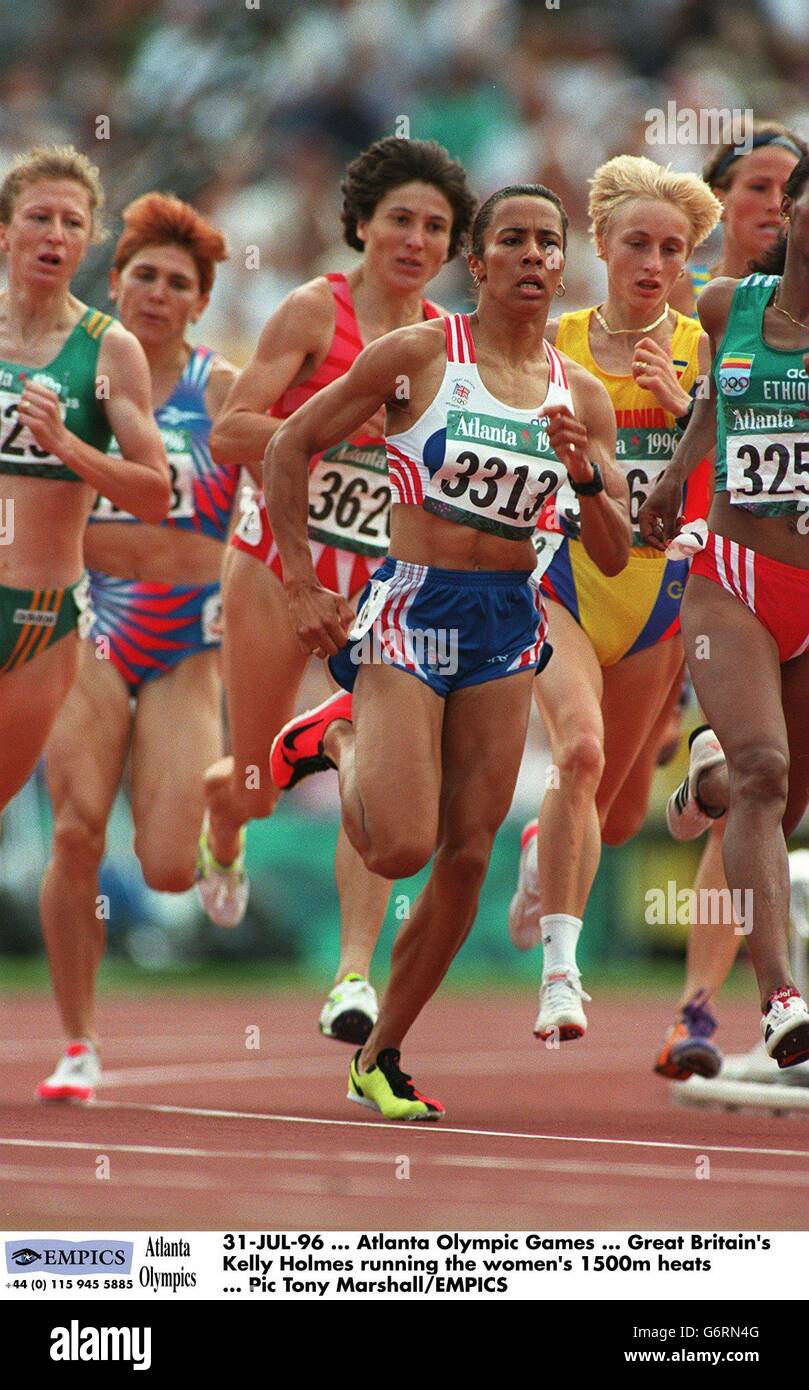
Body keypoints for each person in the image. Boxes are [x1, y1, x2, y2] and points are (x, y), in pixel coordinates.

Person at [266, 184, 631, 1119]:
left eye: (548, 243)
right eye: (511, 240)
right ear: (478, 258)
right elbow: (288, 446)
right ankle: (337, 739)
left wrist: (586, 474)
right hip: (412, 608)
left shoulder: (578, 392)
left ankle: (380, 1055)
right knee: (399, 847)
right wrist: (302, 582)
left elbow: (615, 548)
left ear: (563, 262)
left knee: (468, 855)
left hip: (509, 618)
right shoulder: (421, 355)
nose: (532, 257)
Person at [199, 138, 475, 1045]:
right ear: (361, 223)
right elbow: (233, 428)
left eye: (434, 226)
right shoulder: (314, 311)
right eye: (399, 219)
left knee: (384, 773)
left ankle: (351, 977)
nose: (414, 238)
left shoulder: (443, 345)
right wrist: (331, 427)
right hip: (279, 560)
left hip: (381, 583)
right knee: (256, 781)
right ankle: (224, 816)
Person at [507, 156, 721, 1042]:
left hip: (656, 596)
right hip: (559, 580)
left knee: (619, 814)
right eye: (635, 242)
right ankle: (561, 976)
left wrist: (687, 408)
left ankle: (540, 851)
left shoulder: (704, 345)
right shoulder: (546, 341)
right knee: (581, 754)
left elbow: (745, 479)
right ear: (596, 245)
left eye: (672, 250)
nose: (653, 263)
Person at [37, 192, 237, 1101]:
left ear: (199, 303)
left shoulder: (220, 387)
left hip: (189, 630)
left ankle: (222, 835)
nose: (158, 293)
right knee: (76, 834)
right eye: (143, 276)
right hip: (92, 615)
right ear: (113, 286)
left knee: (164, 864)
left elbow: (277, 490)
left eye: (178, 283)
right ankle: (78, 1042)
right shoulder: (77, 376)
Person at [640, 153, 809, 1070]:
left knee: (773, 803)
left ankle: (703, 787)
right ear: (794, 209)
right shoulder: (725, 305)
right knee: (766, 769)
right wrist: (673, 474)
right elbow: (717, 395)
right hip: (732, 570)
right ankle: (780, 999)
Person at [0, 144, 168, 815]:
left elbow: (153, 493)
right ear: (5, 232)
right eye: (40, 217)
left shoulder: (109, 347)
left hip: (41, 618)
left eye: (73, 223)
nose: (56, 235)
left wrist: (66, 444)